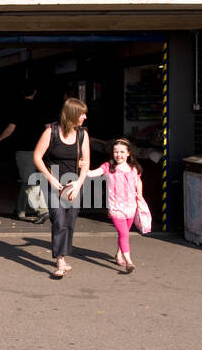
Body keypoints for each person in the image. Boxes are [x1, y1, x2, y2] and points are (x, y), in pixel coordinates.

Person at [32, 97, 91, 278]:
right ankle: (60, 260)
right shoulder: (51, 132)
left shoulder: (82, 134)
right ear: (72, 114)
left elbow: (86, 161)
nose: (85, 117)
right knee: (58, 218)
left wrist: (79, 183)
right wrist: (49, 178)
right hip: (53, 181)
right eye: (82, 114)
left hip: (73, 182)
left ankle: (63, 253)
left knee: (70, 220)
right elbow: (37, 157)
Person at [89, 138, 145, 272]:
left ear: (128, 153)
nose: (118, 155)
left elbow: (138, 181)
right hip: (115, 207)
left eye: (121, 152)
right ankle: (129, 262)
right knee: (124, 233)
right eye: (115, 152)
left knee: (123, 234)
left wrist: (140, 194)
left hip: (131, 207)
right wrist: (82, 168)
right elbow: (92, 174)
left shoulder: (134, 168)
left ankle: (119, 254)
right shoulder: (108, 167)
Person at [0, 83, 45, 220]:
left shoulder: (17, 108)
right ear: (34, 92)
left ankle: (36, 209)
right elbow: (47, 128)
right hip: (39, 149)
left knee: (29, 180)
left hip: (23, 149)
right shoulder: (40, 108)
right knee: (30, 180)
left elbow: (11, 128)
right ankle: (25, 209)